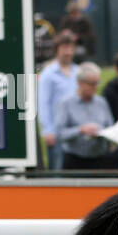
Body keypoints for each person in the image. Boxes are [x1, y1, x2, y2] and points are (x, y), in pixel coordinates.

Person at [58, 63, 116, 169]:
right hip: (75, 161)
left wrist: (104, 133)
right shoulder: (66, 103)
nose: (96, 87)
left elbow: (110, 126)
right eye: (92, 84)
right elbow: (60, 134)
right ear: (80, 83)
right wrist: (80, 130)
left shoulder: (101, 102)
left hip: (101, 160)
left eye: (97, 83)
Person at [37, 31, 77, 170]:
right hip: (56, 132)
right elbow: (43, 103)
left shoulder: (78, 71)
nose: (68, 52)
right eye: (64, 48)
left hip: (74, 132)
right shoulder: (48, 74)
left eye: (70, 48)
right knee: (57, 172)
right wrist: (48, 130)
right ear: (56, 50)